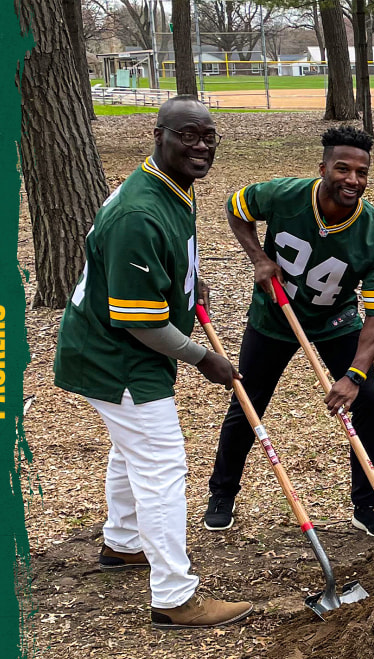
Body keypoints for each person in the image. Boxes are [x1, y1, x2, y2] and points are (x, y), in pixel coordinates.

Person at [53, 96, 254, 630]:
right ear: (158, 134)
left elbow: (158, 269)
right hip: (116, 356)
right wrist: (202, 357)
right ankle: (174, 595)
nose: (202, 146)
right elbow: (139, 321)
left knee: (131, 451)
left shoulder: (169, 188)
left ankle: (122, 543)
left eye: (209, 136)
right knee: (161, 465)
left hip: (123, 348)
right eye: (188, 135)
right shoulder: (138, 211)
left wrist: (187, 287)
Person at [204, 126, 374, 541]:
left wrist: (354, 376)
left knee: (367, 402)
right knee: (248, 401)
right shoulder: (283, 195)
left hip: (336, 322)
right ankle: (221, 493)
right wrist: (259, 258)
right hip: (274, 317)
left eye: (361, 172)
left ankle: (367, 505)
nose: (352, 179)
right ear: (323, 167)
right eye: (343, 168)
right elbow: (235, 208)